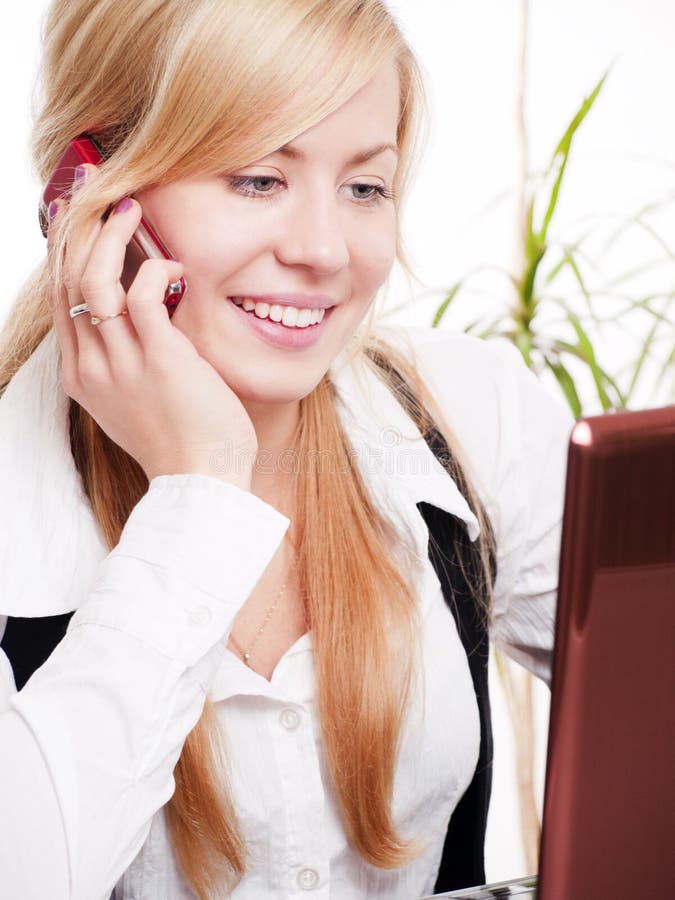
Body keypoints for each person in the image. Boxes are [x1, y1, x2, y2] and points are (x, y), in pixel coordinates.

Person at [0, 1, 573, 898]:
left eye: (364, 187)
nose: (323, 251)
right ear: (87, 193)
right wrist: (199, 491)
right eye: (257, 179)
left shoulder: (467, 414)